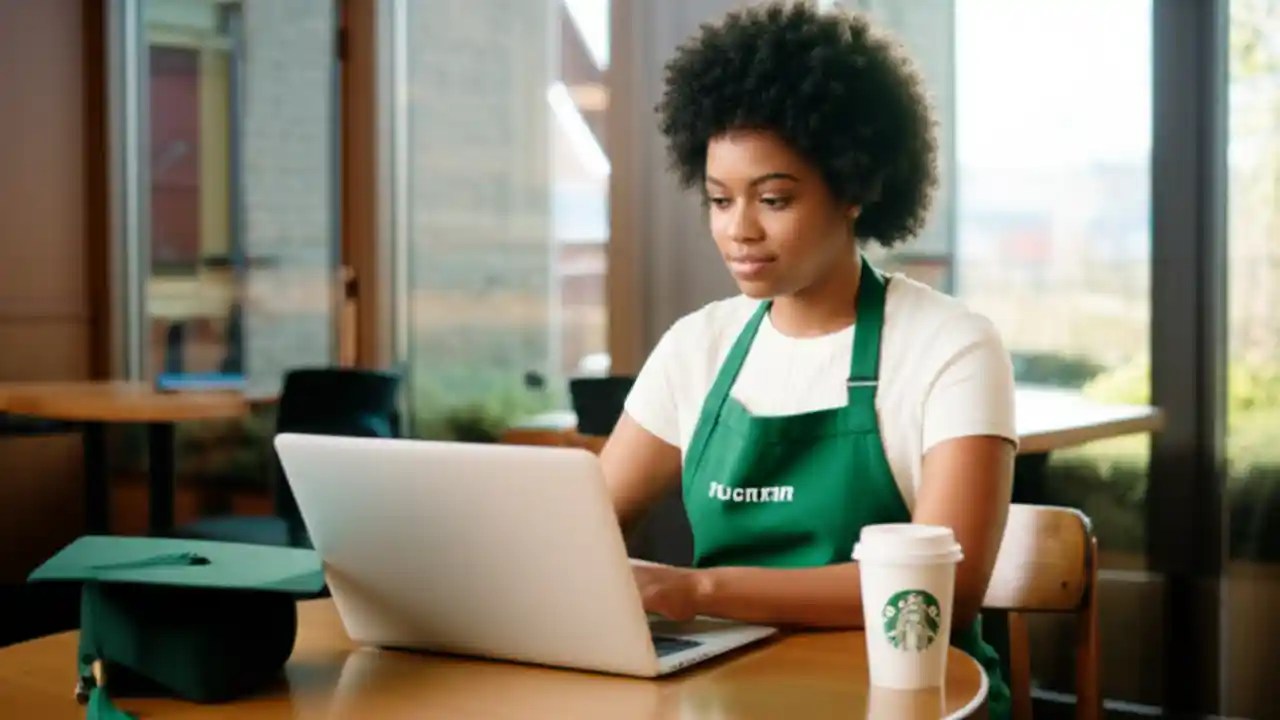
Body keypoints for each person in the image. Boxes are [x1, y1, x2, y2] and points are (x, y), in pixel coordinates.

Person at [599, 2, 1015, 716]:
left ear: (855, 187)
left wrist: (695, 590)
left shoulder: (951, 346)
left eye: (774, 198)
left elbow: (939, 589)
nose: (739, 231)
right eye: (720, 200)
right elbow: (579, 525)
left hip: (907, 697)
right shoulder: (698, 347)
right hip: (724, 693)